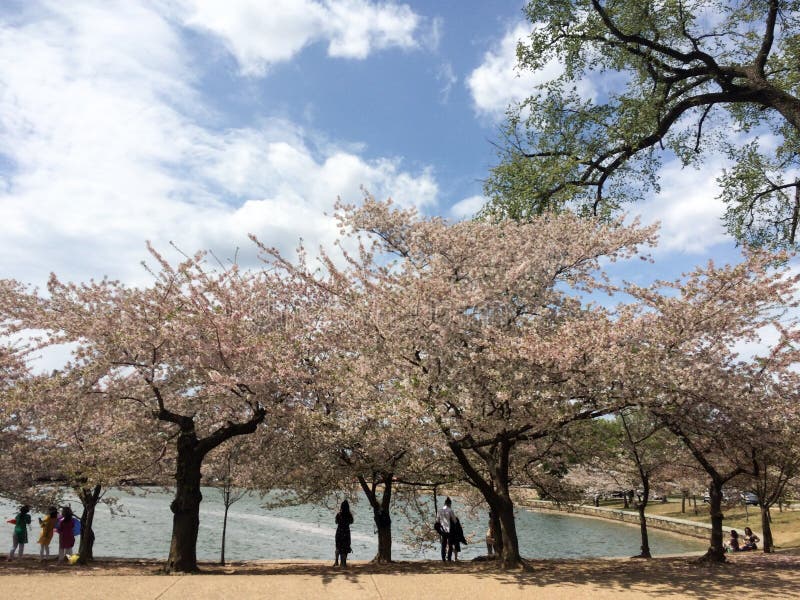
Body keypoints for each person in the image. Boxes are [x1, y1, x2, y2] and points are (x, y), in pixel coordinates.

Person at [333, 500, 353, 568]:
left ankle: (336, 561)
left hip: (339, 532)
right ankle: (343, 563)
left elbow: (336, 522)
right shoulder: (349, 515)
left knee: (338, 546)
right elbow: (351, 522)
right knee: (345, 547)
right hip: (346, 532)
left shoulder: (339, 514)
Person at [436, 497, 456, 562]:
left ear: (444, 503)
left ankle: (443, 559)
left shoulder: (439, 510)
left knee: (443, 545)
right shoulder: (450, 510)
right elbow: (455, 521)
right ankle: (449, 559)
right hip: (449, 530)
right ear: (449, 504)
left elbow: (437, 521)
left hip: (442, 530)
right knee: (450, 544)